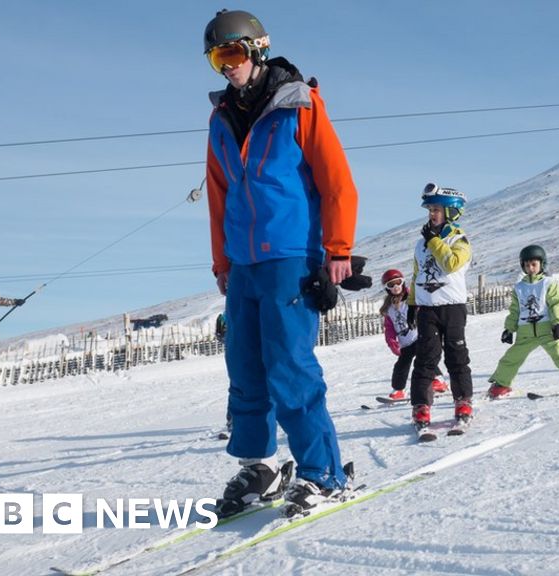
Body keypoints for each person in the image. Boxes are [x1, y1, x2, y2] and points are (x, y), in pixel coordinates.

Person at [202, 8, 359, 517]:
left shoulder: (300, 103)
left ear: (257, 49)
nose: (227, 66)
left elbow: (337, 181)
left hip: (291, 256)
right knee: (245, 369)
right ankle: (262, 467)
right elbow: (218, 195)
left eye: (232, 53)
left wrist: (337, 250)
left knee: (290, 368)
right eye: (216, 58)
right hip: (243, 264)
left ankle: (323, 473)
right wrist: (222, 262)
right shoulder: (220, 118)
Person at [408, 183, 474, 431]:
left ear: (450, 212)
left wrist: (435, 241)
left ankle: (463, 401)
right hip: (427, 309)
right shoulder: (421, 244)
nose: (431, 214)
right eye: (430, 210)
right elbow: (416, 275)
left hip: (452, 307)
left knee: (456, 356)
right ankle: (421, 406)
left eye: (436, 209)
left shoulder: (460, 240)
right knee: (425, 358)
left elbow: (451, 263)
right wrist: (412, 304)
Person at [487, 246, 559, 399]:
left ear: (542, 264)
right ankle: (501, 385)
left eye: (534, 264)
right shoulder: (519, 288)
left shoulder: (548, 283)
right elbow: (515, 310)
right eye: (527, 265)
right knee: (511, 358)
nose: (530, 268)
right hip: (525, 331)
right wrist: (509, 329)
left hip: (546, 328)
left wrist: (558, 323)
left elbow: (556, 303)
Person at [379, 269, 447, 401]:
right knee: (401, 365)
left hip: (419, 336)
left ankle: (438, 380)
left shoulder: (412, 297)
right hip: (405, 342)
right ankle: (399, 390)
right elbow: (389, 328)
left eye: (398, 282)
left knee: (424, 359)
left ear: (403, 282)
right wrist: (392, 342)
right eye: (391, 285)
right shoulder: (389, 308)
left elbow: (425, 310)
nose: (395, 287)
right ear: (387, 288)